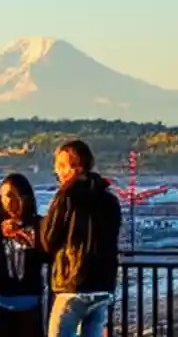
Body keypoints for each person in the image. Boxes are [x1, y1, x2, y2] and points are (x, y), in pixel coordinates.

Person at [41, 140, 121, 337]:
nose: (57, 171)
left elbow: (48, 240)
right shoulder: (109, 199)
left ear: (75, 168)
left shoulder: (66, 196)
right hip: (103, 285)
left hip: (73, 285)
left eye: (61, 165)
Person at [0, 173, 46, 337]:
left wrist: (29, 240)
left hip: (30, 302)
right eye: (4, 196)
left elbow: (48, 255)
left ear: (25, 197)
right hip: (1, 301)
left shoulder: (39, 225)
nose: (9, 202)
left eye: (13, 195)